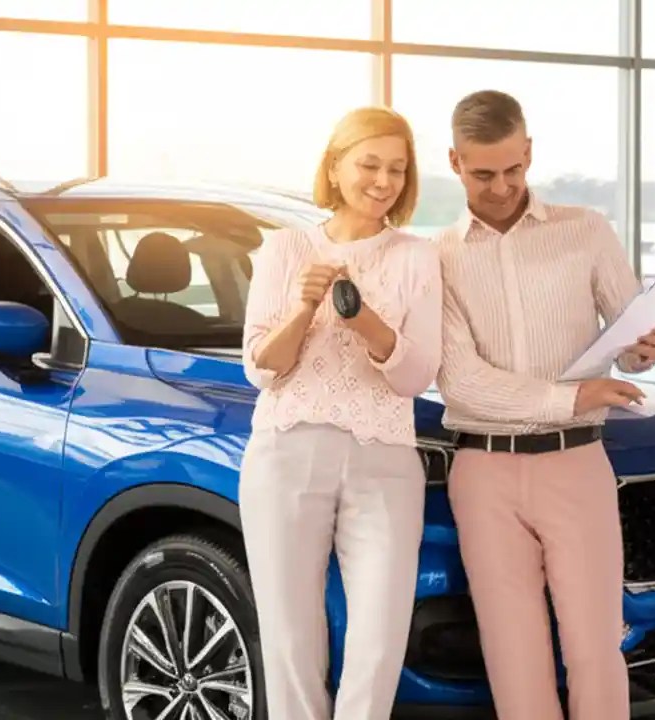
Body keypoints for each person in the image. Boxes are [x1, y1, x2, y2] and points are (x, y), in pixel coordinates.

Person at [433, 90, 655, 719]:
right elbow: (461, 382)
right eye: (484, 174)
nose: (503, 186)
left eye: (514, 168)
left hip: (576, 464)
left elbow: (628, 346)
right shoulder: (438, 258)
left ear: (529, 151)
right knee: (514, 658)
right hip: (482, 472)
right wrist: (572, 396)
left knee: (594, 648)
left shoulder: (585, 229)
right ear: (454, 162)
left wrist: (645, 350)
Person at [239, 106, 443, 720]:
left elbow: (416, 375)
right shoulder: (284, 248)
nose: (384, 182)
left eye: (398, 170)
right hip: (286, 454)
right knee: (290, 639)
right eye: (369, 164)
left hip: (383, 461)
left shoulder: (418, 257)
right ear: (335, 165)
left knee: (379, 640)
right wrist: (305, 309)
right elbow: (260, 368)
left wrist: (363, 320)